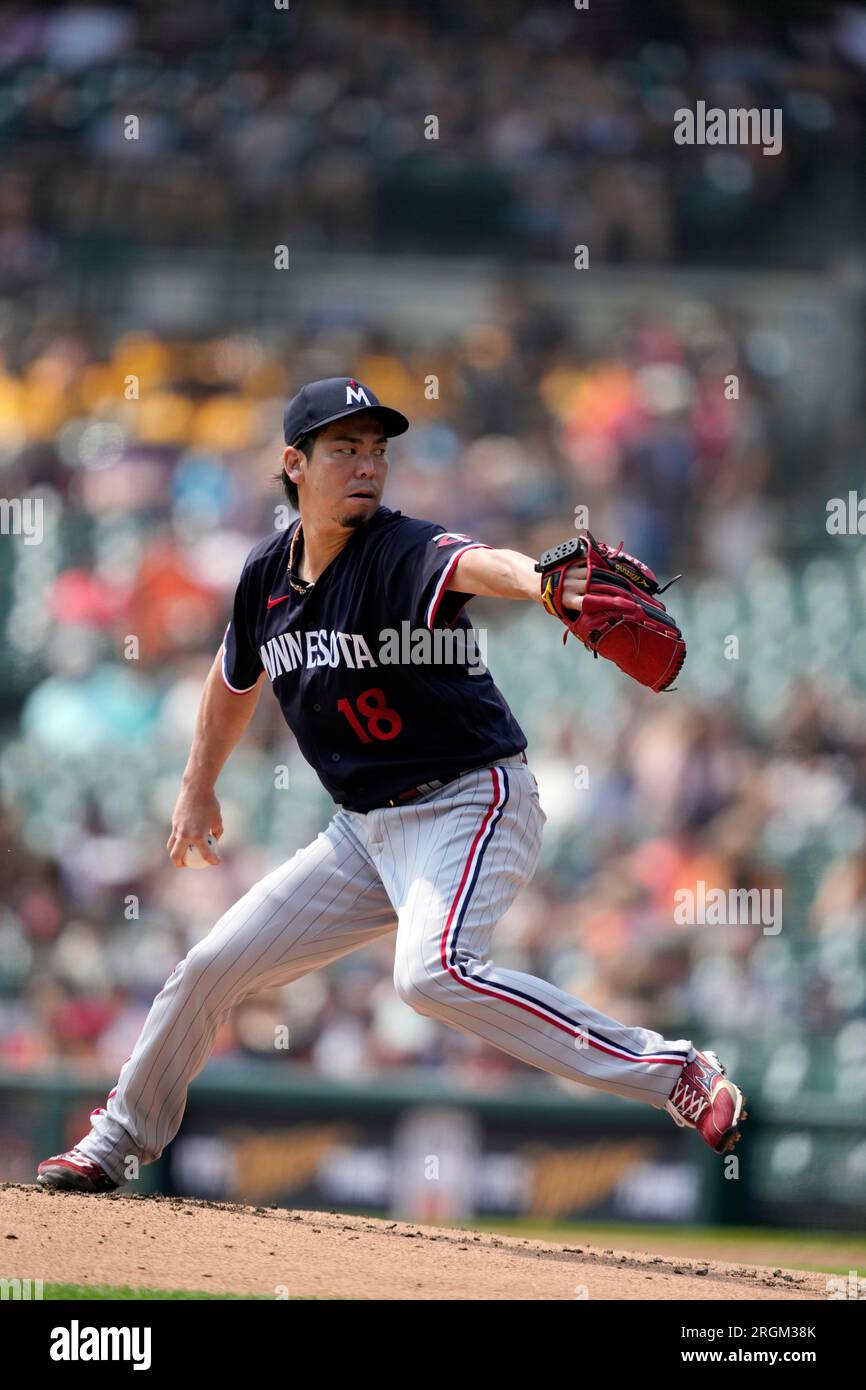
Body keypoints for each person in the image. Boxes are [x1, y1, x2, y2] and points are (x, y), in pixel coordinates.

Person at [36, 376, 746, 1195]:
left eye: (377, 449)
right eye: (345, 448)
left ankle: (676, 1073)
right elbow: (234, 680)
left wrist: (544, 582)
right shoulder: (264, 576)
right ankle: (115, 1141)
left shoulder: (396, 547)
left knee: (429, 974)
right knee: (208, 967)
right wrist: (198, 787)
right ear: (294, 465)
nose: (367, 464)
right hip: (363, 834)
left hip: (470, 801)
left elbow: (476, 563)